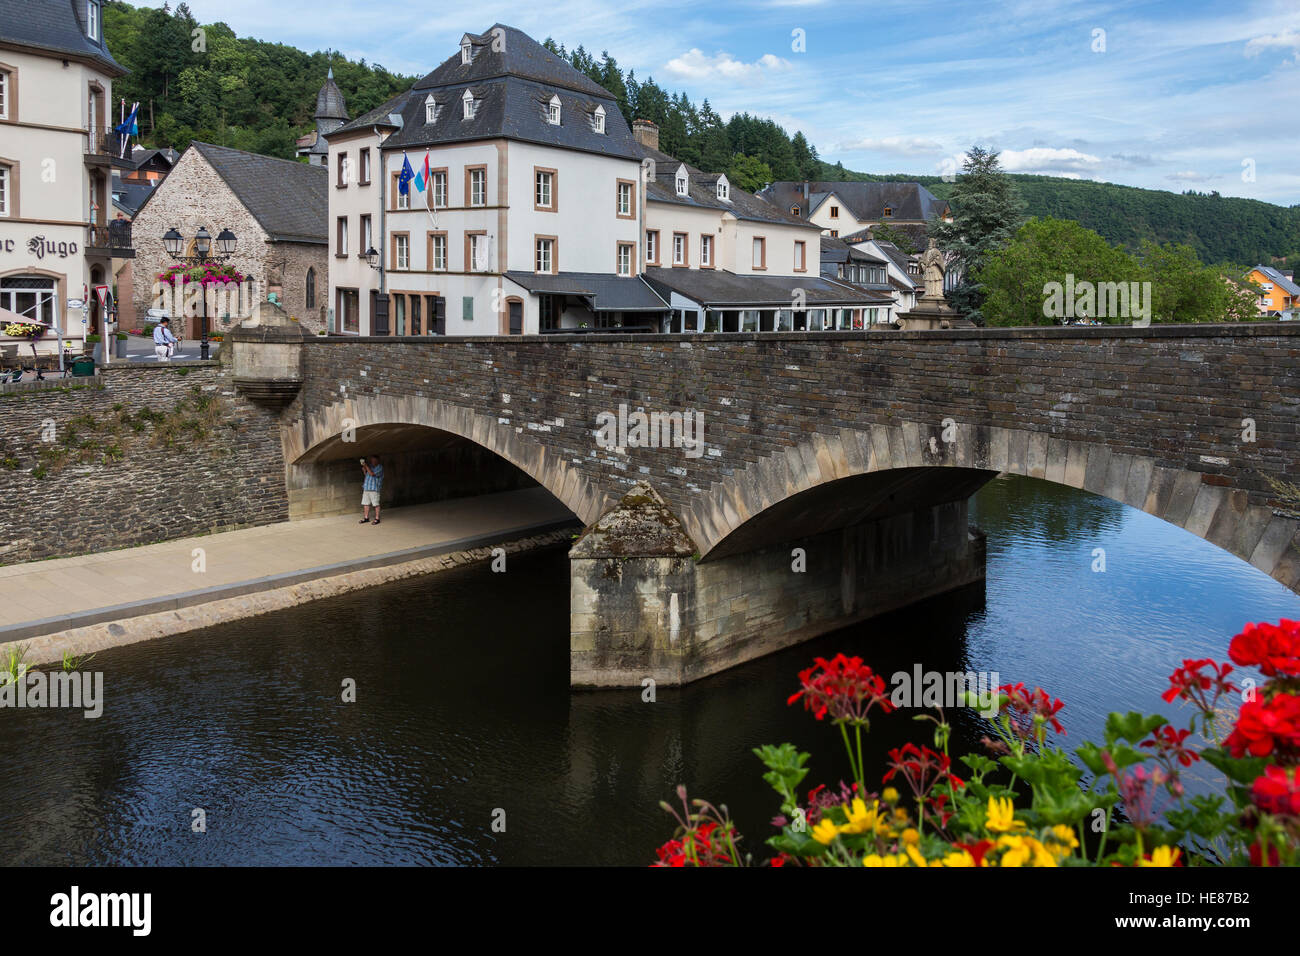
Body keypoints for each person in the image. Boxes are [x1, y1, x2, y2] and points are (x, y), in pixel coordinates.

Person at [360, 455, 384, 525]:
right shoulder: (370, 466)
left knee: (375, 504)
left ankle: (377, 518)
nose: (372, 461)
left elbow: (372, 474)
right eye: (372, 460)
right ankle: (366, 517)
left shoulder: (380, 467)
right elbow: (367, 475)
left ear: (377, 460)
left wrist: (366, 466)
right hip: (366, 487)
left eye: (374, 460)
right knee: (365, 503)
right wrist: (364, 470)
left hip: (374, 489)